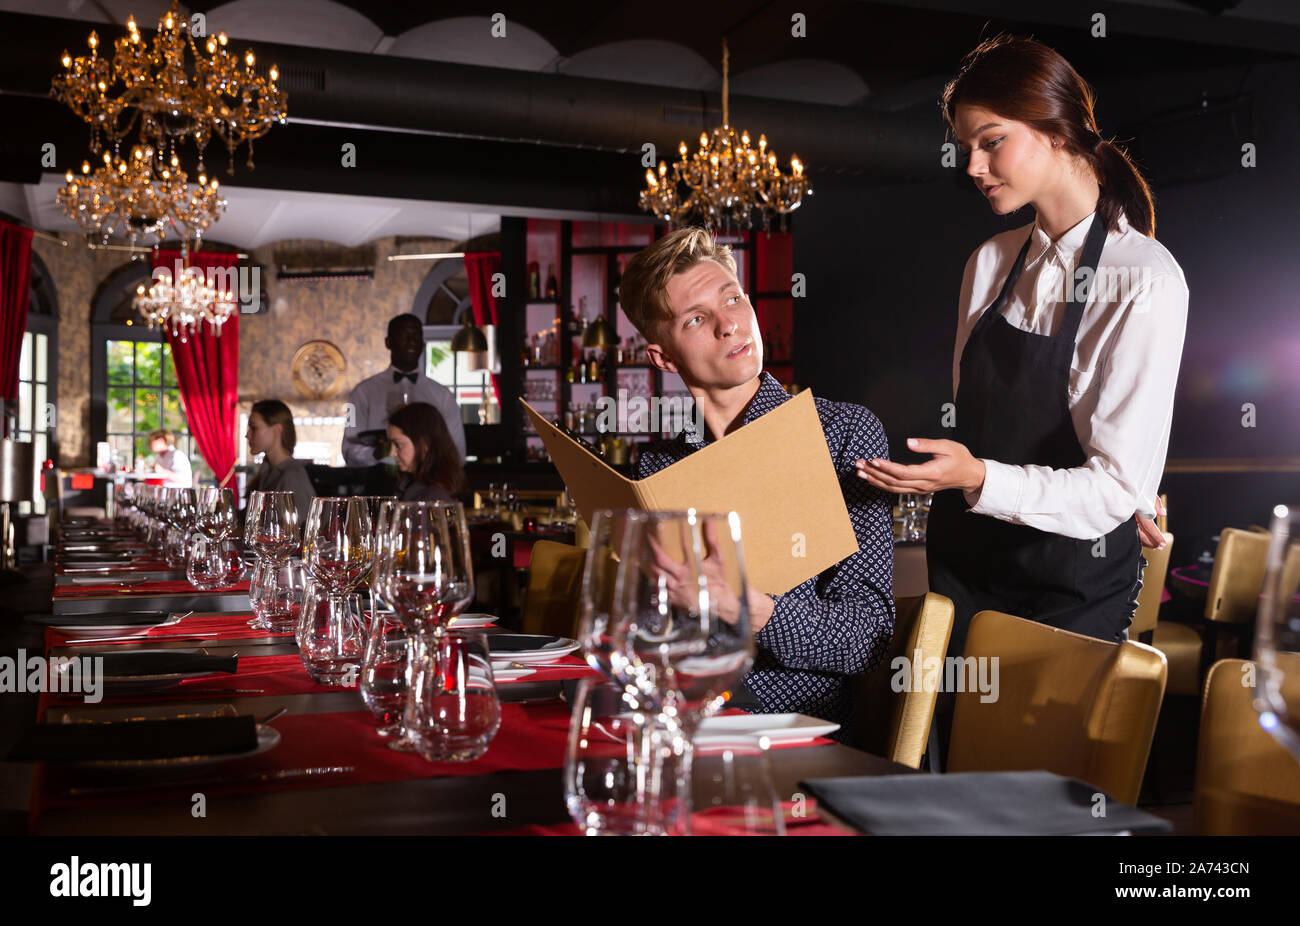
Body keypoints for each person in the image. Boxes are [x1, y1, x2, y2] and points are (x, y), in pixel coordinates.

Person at [857, 35, 1188, 662]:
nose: (972, 167)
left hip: (1073, 587)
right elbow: (985, 427)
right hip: (965, 570)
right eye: (966, 149)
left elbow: (1112, 490)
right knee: (951, 754)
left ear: (1055, 132)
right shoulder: (988, 264)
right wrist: (950, 476)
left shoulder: (1145, 277)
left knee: (1033, 759)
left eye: (991, 141)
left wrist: (980, 477)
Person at [619, 226, 896, 734]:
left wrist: (751, 609)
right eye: (697, 318)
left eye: (733, 300)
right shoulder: (659, 467)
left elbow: (867, 638)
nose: (729, 325)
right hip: (677, 717)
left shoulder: (842, 434)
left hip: (789, 732)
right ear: (663, 357)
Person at [342, 314, 466, 467]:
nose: (412, 342)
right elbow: (348, 449)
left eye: (416, 336)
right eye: (404, 335)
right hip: (378, 484)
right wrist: (377, 454)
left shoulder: (443, 396)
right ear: (388, 342)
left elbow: (458, 453)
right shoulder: (361, 393)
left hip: (428, 485)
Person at [245, 399, 316, 519]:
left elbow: (299, 531)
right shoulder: (267, 471)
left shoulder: (293, 476)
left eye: (254, 428)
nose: (247, 434)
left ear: (277, 430)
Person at [387, 402, 469, 503]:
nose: (391, 453)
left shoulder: (434, 497)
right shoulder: (413, 484)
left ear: (424, 444)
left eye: (398, 444)